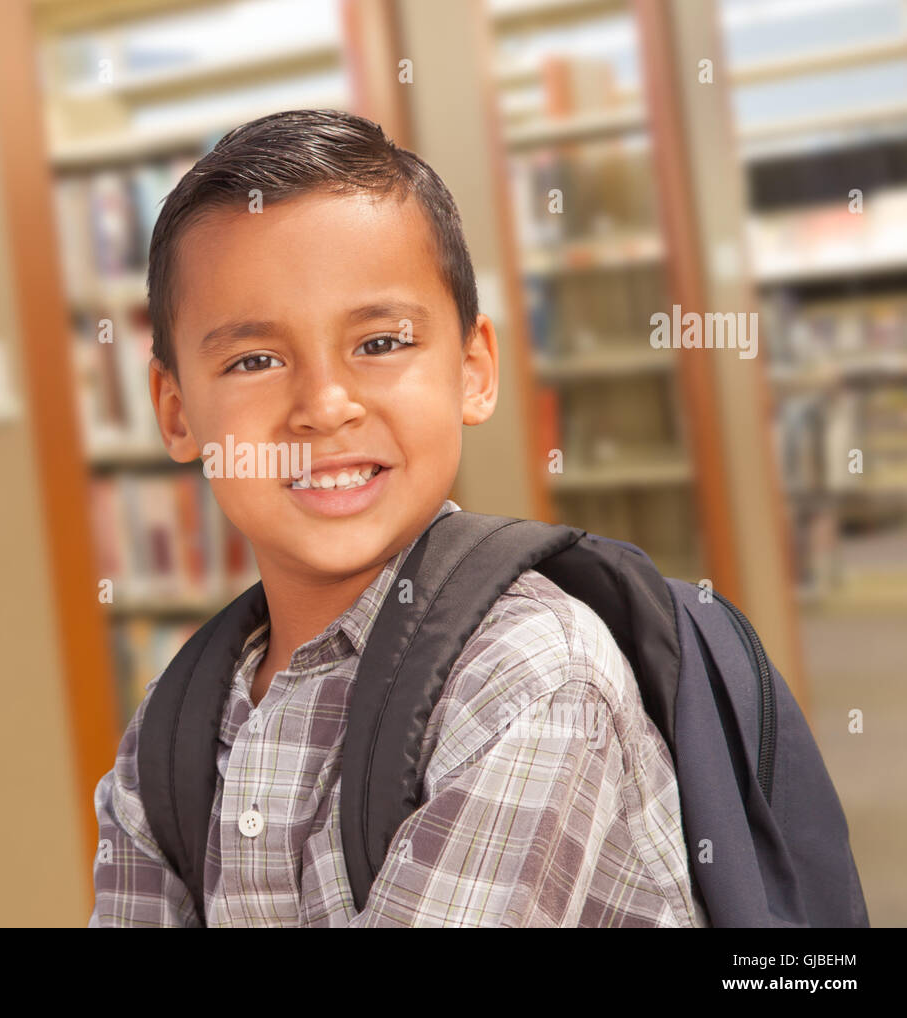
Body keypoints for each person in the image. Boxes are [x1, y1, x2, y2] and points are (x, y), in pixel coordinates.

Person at [87, 108, 707, 927]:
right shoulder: (172, 724)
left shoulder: (528, 674)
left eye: (380, 343)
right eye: (255, 360)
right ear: (175, 411)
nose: (324, 406)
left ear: (474, 370)